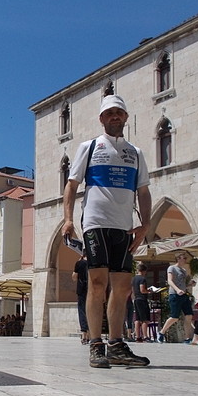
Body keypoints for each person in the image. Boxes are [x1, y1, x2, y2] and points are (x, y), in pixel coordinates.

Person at [62, 94, 152, 369]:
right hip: (96, 223)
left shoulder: (135, 153)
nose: (115, 117)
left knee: (123, 287)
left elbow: (144, 190)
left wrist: (145, 225)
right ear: (102, 119)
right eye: (109, 113)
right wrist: (68, 219)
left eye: (119, 113)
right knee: (98, 283)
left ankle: (116, 345)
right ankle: (95, 344)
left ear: (125, 117)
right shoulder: (89, 147)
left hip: (123, 226)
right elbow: (72, 185)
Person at [157, 253, 194, 343]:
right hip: (174, 294)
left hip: (184, 294)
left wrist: (190, 285)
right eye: (184, 258)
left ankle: (187, 338)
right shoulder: (172, 268)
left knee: (189, 315)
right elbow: (170, 281)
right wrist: (177, 290)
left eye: (186, 258)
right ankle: (162, 332)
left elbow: (183, 284)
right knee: (174, 317)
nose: (185, 260)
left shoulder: (184, 270)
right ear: (178, 258)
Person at [72, 253, 90, 344]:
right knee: (91, 311)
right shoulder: (93, 263)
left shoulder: (79, 263)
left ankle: (84, 335)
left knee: (82, 311)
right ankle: (91, 334)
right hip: (92, 290)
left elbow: (74, 277)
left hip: (81, 289)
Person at [131, 263, 151, 342]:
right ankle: (145, 336)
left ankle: (138, 336)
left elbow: (133, 290)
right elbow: (142, 290)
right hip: (142, 299)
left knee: (137, 319)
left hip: (136, 299)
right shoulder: (142, 279)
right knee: (144, 319)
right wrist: (149, 291)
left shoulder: (134, 279)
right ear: (144, 271)